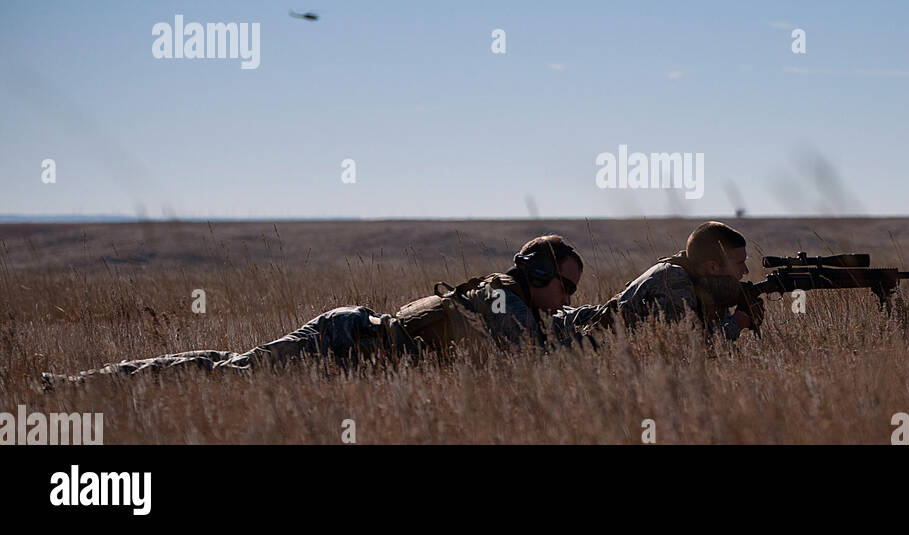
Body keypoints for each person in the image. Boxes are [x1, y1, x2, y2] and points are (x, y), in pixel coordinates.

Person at [41, 235, 586, 387]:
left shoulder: (520, 308)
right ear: (538, 274)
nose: (568, 299)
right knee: (229, 374)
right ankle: (82, 383)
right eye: (565, 286)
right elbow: (527, 357)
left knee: (232, 370)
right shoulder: (500, 299)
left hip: (352, 348)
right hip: (343, 342)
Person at [558, 221, 763, 341]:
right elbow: (684, 347)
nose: (745, 271)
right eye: (739, 263)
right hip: (571, 330)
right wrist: (738, 322)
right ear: (712, 267)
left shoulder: (708, 284)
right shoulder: (674, 279)